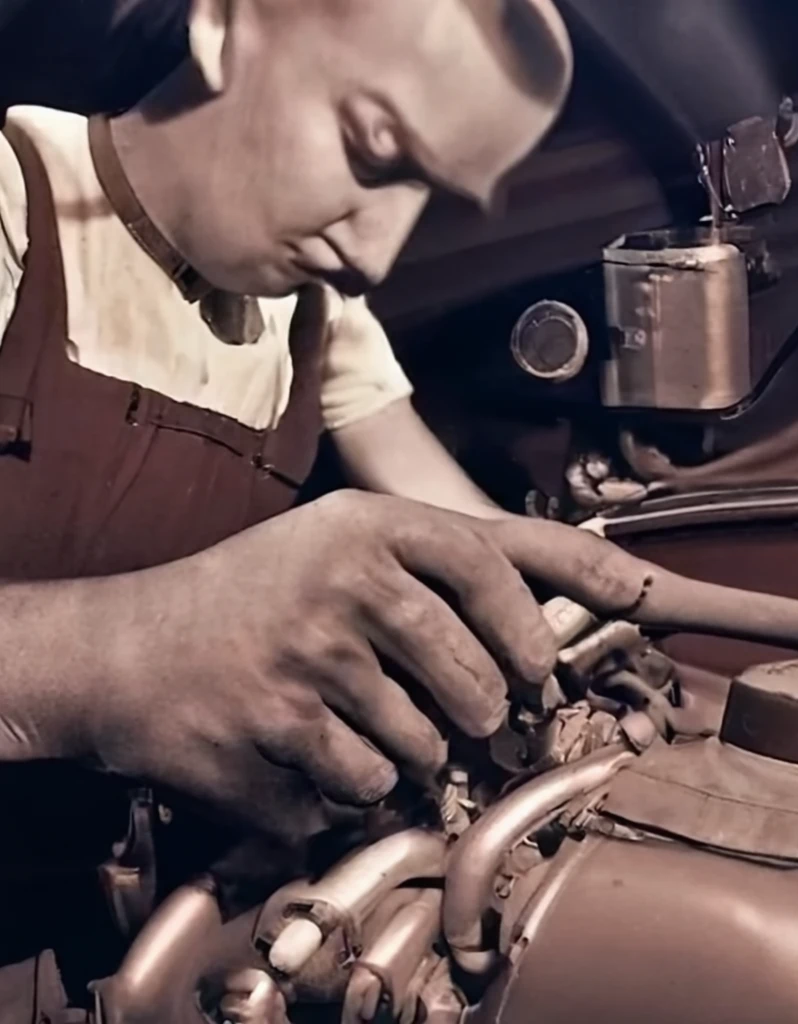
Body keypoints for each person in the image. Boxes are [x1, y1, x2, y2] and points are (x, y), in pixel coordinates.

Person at [0, 0, 686, 1019]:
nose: (375, 251)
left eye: (429, 195)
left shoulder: (316, 310)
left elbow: (469, 536)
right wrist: (116, 653)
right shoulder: (15, 198)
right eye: (373, 149)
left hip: (148, 932)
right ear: (226, 22)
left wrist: (605, 619)